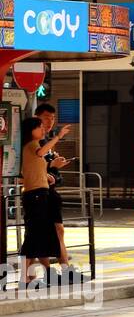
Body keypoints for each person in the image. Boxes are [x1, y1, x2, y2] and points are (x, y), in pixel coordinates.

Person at [19, 118, 61, 286]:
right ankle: (25, 276)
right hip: (35, 195)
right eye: (40, 127)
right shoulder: (32, 146)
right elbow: (40, 153)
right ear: (31, 130)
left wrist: (46, 175)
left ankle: (33, 275)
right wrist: (58, 137)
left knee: (39, 234)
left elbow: (33, 168)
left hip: (39, 194)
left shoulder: (34, 147)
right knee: (33, 235)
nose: (43, 130)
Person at [34, 103, 76, 272]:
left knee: (58, 230)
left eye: (52, 118)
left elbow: (44, 163)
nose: (50, 121)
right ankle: (46, 272)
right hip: (38, 192)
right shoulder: (33, 141)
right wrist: (52, 164)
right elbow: (31, 166)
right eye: (46, 117)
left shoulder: (46, 138)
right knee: (40, 234)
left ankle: (65, 269)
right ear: (37, 118)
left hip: (51, 191)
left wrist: (56, 164)